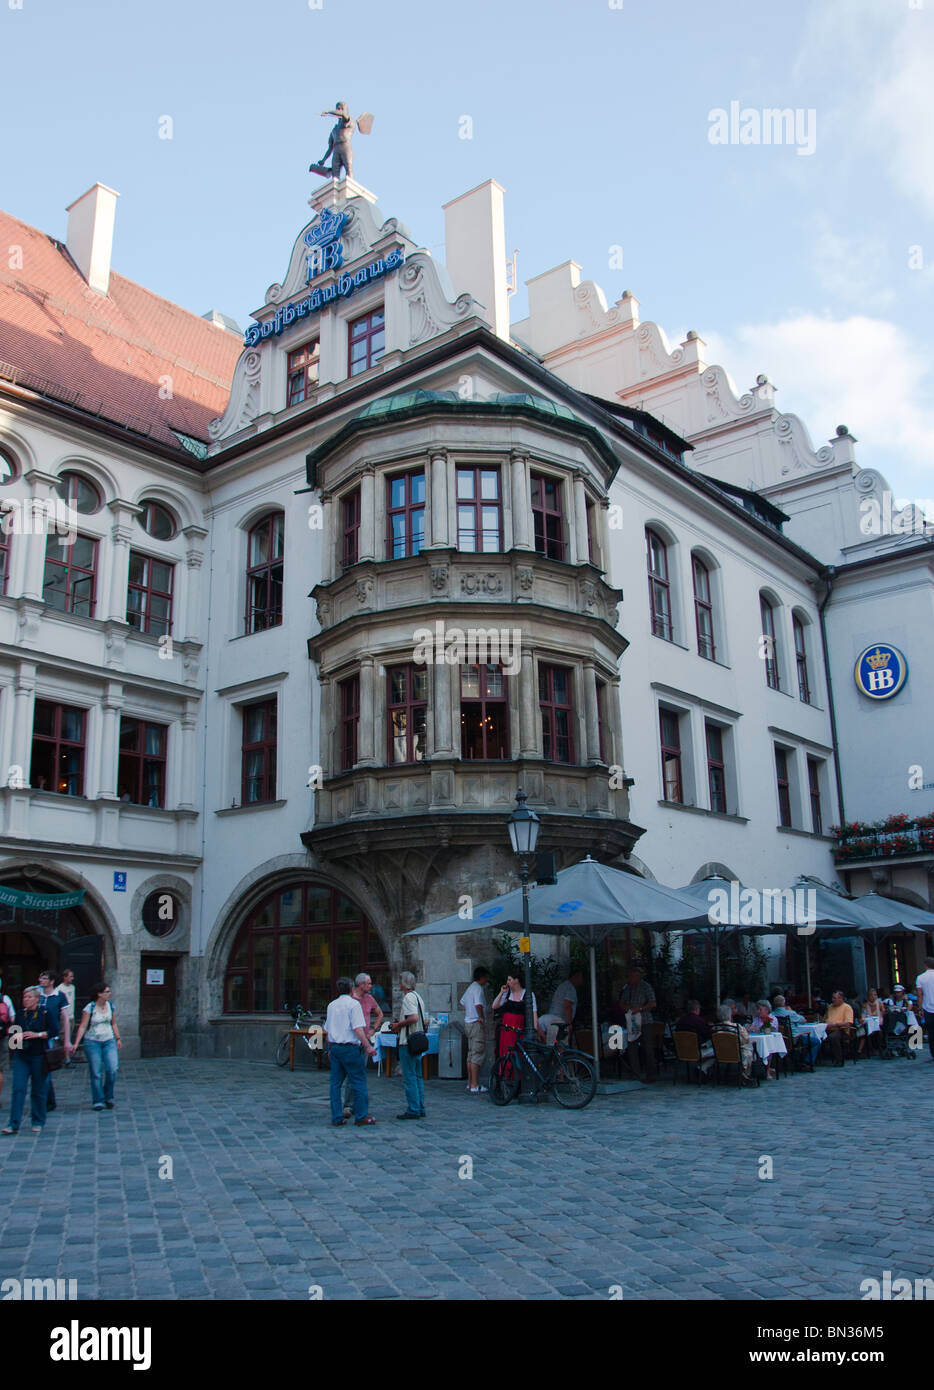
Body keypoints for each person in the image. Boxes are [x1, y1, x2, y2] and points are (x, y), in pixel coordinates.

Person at [324, 977, 376, 1127]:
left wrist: (329, 1048)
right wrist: (368, 1046)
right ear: (351, 988)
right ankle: (361, 1116)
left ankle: (336, 1117)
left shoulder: (331, 1005)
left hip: (335, 1047)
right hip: (350, 1048)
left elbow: (327, 1029)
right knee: (358, 1081)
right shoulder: (354, 1005)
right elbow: (358, 1029)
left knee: (335, 1084)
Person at [2, 986, 51, 1134]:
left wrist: (38, 1035)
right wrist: (16, 1038)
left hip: (38, 1055)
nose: (26, 1000)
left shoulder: (44, 1013)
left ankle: (38, 1121)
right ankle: (13, 1124)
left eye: (29, 997)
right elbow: (13, 1035)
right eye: (25, 997)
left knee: (38, 1090)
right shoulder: (20, 1014)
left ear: (37, 999)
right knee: (18, 1089)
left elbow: (53, 1030)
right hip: (21, 1056)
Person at [70, 983, 122, 1109]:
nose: (109, 993)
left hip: (109, 1040)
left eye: (109, 991)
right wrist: (76, 1042)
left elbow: (113, 1023)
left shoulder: (111, 1006)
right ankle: (98, 1100)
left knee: (112, 1069)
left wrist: (118, 1038)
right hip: (92, 1042)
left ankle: (108, 1096)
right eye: (107, 991)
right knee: (96, 1072)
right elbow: (83, 1026)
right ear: (99, 994)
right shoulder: (90, 1007)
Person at [341, 973, 383, 1117]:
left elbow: (379, 1014)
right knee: (350, 1075)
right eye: (369, 983)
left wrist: (373, 1029)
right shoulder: (349, 999)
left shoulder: (369, 999)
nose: (371, 986)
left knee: (360, 1074)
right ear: (361, 985)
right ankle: (348, 1105)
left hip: (365, 1040)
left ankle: (357, 1104)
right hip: (351, 1041)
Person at [390, 970, 429, 1120]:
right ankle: (420, 1106)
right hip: (417, 1040)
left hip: (408, 1041)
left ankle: (413, 1108)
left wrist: (398, 1024)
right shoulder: (418, 997)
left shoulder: (408, 998)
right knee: (418, 1076)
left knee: (410, 1077)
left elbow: (412, 1017)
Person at [617, 966, 658, 1084]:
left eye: (631, 976)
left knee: (648, 1048)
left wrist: (640, 1008)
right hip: (632, 1021)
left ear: (637, 977)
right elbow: (621, 1003)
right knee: (632, 1047)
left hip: (645, 1021)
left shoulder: (646, 987)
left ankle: (651, 1074)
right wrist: (628, 1008)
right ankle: (635, 1073)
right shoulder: (628, 988)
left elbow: (653, 1003)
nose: (629, 978)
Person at [37, 970, 70, 1113]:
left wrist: (67, 1040)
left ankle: (47, 1100)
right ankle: (47, 1100)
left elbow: (66, 1019)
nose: (41, 980)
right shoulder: (36, 995)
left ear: (51, 981)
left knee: (45, 1068)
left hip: (49, 1036)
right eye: (40, 978)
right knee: (40, 1069)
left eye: (44, 978)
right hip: (34, 1035)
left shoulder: (58, 996)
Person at [492, 974, 538, 1064]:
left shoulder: (528, 994)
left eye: (509, 980)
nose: (507, 982)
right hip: (507, 1029)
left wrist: (535, 1027)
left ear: (516, 980)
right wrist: (502, 992)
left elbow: (534, 1012)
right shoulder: (508, 993)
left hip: (519, 1028)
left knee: (518, 1050)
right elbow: (494, 1006)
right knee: (506, 1050)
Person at [460, 966, 490, 1094]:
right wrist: (481, 1017)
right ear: (482, 977)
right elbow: (478, 1004)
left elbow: (463, 1002)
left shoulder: (470, 988)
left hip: (468, 1023)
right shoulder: (477, 989)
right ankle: (474, 1084)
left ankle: (470, 1082)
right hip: (475, 1023)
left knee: (471, 1054)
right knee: (477, 1053)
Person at [538, 968, 583, 1046]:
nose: (582, 980)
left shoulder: (563, 985)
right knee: (560, 1048)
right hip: (557, 1022)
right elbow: (568, 1006)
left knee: (551, 1047)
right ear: (577, 976)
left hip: (547, 1019)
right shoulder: (570, 988)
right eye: (581, 977)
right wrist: (569, 1024)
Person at [713, 1002, 755, 1085]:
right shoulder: (737, 1027)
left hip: (720, 1053)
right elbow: (746, 1039)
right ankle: (745, 1073)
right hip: (736, 1053)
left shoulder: (715, 1028)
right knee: (748, 1050)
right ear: (729, 1015)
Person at [675, 999, 714, 1074]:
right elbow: (708, 1034)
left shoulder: (680, 1021)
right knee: (718, 1051)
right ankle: (702, 1068)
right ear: (697, 1009)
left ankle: (701, 1068)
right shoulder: (698, 1020)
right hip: (697, 1051)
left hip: (682, 1051)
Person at [824, 989, 854, 1066]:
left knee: (833, 1037)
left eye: (834, 998)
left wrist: (835, 1024)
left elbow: (848, 1023)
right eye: (832, 998)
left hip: (842, 1030)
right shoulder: (830, 1007)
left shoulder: (847, 1007)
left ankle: (839, 1060)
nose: (832, 1000)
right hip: (828, 1029)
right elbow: (825, 1019)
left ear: (840, 999)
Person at [914, 957, 934, 1062]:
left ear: (925, 965)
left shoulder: (920, 978)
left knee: (931, 1032)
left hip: (928, 1008)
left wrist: (920, 1008)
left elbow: (919, 995)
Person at [857, 987, 885, 1056]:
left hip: (878, 1023)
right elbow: (863, 1015)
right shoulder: (865, 1004)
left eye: (875, 995)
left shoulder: (880, 1003)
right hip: (868, 1024)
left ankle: (880, 1048)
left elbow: (883, 1012)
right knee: (867, 1032)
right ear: (868, 996)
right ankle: (871, 1049)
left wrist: (880, 1017)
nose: (873, 997)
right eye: (871, 995)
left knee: (880, 1031)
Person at [0, 974, 14, 1104]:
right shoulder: (5, 999)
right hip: (2, 1036)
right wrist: (16, 1046)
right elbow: (13, 1020)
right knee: (1, 1069)